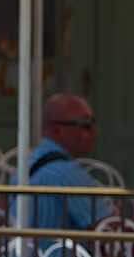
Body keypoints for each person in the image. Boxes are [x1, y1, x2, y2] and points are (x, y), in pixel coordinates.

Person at [21, 91, 108, 238]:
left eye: (94, 123)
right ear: (56, 130)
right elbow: (107, 228)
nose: (94, 131)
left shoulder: (26, 164)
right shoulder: (67, 173)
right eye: (85, 125)